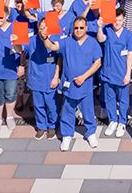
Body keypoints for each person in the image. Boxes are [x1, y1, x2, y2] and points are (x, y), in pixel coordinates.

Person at [41, 15, 102, 151]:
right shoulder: (67, 42)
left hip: (85, 84)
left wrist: (84, 77)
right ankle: (67, 135)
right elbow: (52, 46)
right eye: (76, 28)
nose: (78, 30)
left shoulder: (92, 43)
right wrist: (45, 37)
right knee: (68, 110)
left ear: (86, 28)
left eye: (81, 28)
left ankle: (91, 133)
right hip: (69, 85)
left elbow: (97, 63)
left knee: (88, 110)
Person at [16, 16, 60, 140]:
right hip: (36, 79)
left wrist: (56, 77)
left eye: (45, 28)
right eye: (41, 28)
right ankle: (41, 126)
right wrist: (16, 41)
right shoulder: (32, 40)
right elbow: (21, 50)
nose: (43, 30)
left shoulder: (55, 39)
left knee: (51, 105)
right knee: (38, 105)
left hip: (49, 78)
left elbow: (59, 59)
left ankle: (52, 125)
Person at [96, 8, 132, 137]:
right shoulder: (107, 30)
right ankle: (112, 120)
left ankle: (122, 122)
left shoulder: (129, 35)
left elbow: (130, 55)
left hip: (122, 73)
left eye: (119, 20)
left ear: (123, 20)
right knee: (110, 98)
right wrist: (100, 27)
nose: (117, 23)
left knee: (123, 99)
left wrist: (128, 73)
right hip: (108, 72)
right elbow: (101, 39)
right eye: (115, 20)